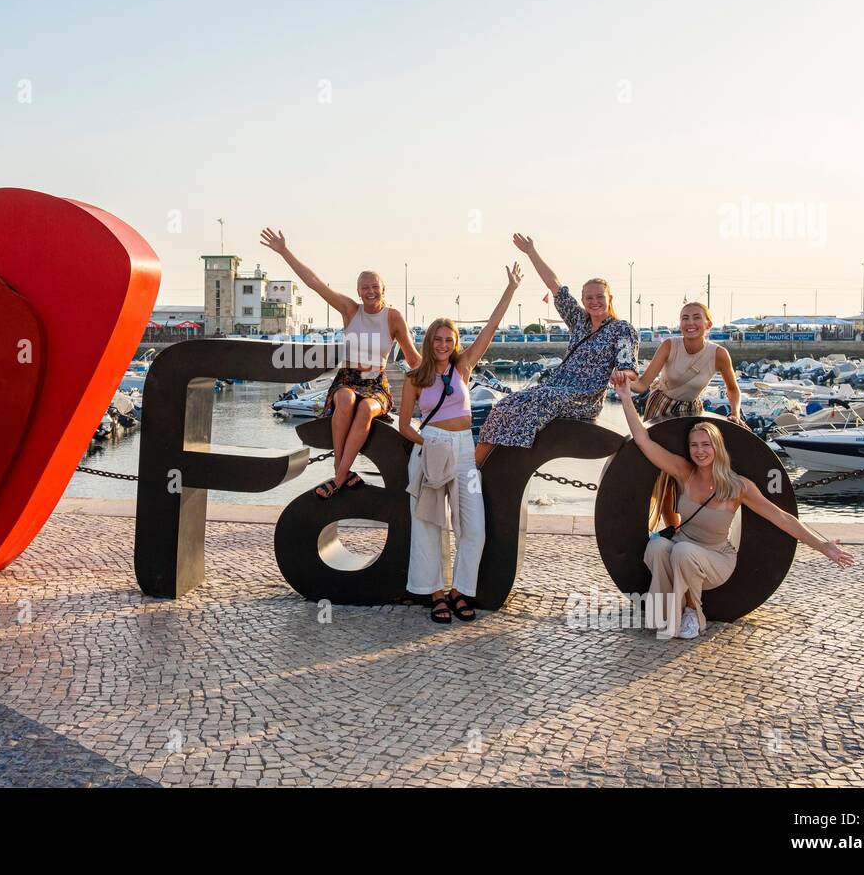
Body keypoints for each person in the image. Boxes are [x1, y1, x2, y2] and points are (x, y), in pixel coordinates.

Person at [615, 378, 854, 639]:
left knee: (682, 551)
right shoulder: (684, 473)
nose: (700, 451)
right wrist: (626, 397)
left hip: (716, 558)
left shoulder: (737, 486)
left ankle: (694, 614)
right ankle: (665, 612)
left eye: (706, 445)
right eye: (694, 445)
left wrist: (823, 546)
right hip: (682, 548)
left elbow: (781, 517)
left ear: (717, 448)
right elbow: (643, 441)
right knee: (658, 546)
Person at [400, 263, 524, 623]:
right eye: (437, 339)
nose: (443, 345)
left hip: (465, 452)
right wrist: (427, 441)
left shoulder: (463, 367)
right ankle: (436, 594)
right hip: (431, 450)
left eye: (448, 339)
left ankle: (460, 590)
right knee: (428, 525)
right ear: (429, 342)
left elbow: (490, 329)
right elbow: (404, 423)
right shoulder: (415, 377)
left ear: (455, 343)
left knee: (474, 526)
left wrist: (511, 289)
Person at [260, 228, 419, 499]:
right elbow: (315, 283)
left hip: (375, 384)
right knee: (345, 400)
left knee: (366, 410)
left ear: (383, 289)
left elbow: (413, 357)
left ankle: (338, 477)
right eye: (365, 287)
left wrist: (446, 372)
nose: (370, 291)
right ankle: (342, 472)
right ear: (358, 291)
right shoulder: (350, 310)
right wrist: (285, 251)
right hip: (347, 378)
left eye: (375, 286)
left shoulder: (393, 318)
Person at [475, 234, 638, 466]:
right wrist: (531, 252)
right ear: (582, 299)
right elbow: (554, 285)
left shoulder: (622, 329)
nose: (594, 302)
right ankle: (477, 466)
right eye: (588, 297)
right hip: (556, 387)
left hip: (584, 397)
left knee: (542, 397)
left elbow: (628, 367)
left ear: (609, 298)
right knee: (506, 404)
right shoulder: (579, 320)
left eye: (599, 297)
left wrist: (621, 376)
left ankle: (495, 459)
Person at [626, 301, 747, 527]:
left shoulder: (719, 354)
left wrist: (735, 414)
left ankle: (695, 525)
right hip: (660, 409)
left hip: (691, 412)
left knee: (689, 471)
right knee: (661, 472)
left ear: (708, 324)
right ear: (680, 324)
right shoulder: (669, 346)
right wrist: (624, 382)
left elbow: (732, 388)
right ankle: (672, 528)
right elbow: (642, 384)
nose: (690, 323)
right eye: (685, 318)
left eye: (696, 318)